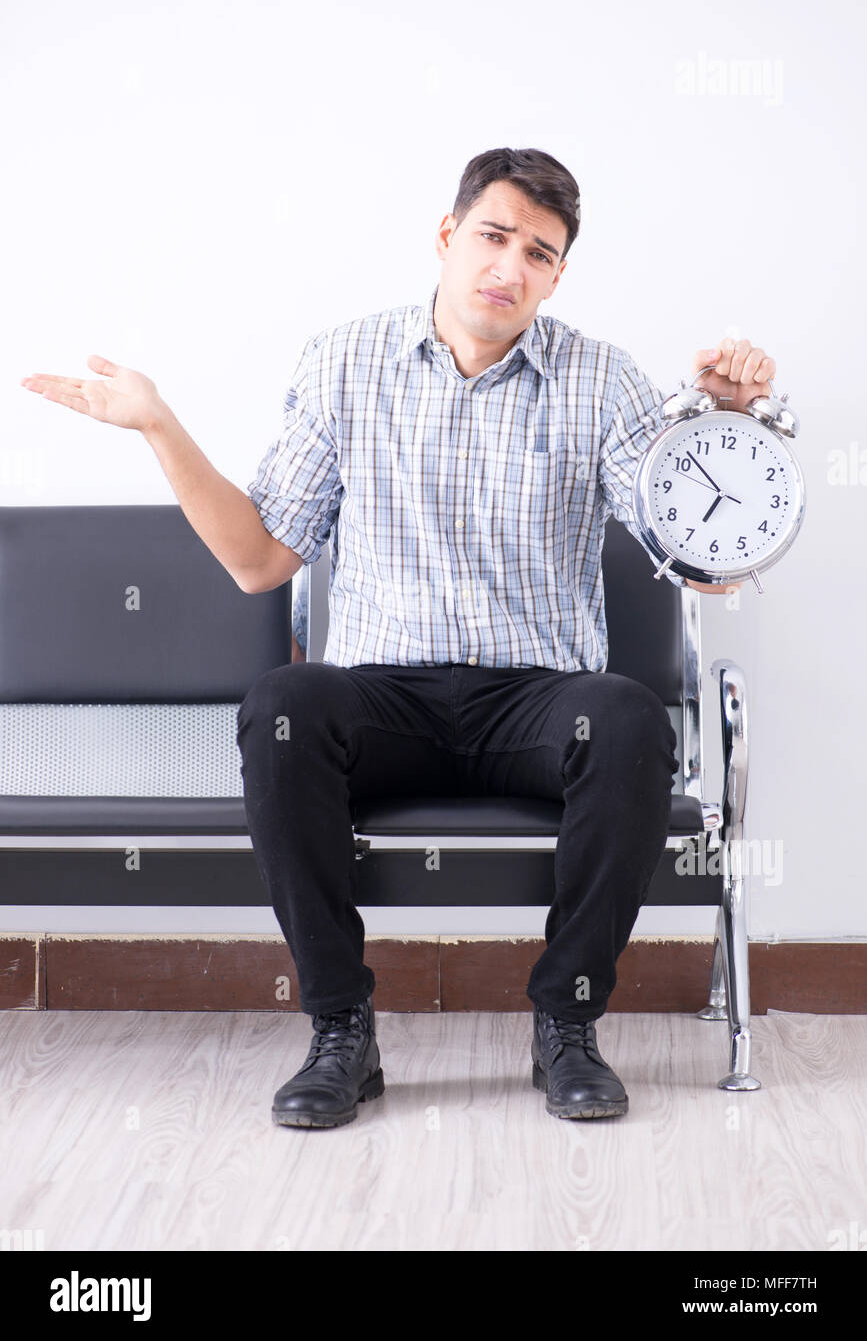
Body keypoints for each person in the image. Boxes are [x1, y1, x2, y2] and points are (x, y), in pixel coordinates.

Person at [20, 146, 776, 1131]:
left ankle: (568, 1025)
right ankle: (341, 1029)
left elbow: (709, 561)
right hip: (386, 701)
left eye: (538, 253)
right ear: (448, 237)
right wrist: (161, 426)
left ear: (557, 275)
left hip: (537, 704)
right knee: (284, 706)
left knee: (629, 719)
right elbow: (260, 560)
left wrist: (730, 421)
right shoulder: (345, 362)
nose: (510, 265)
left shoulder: (602, 381)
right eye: (495, 236)